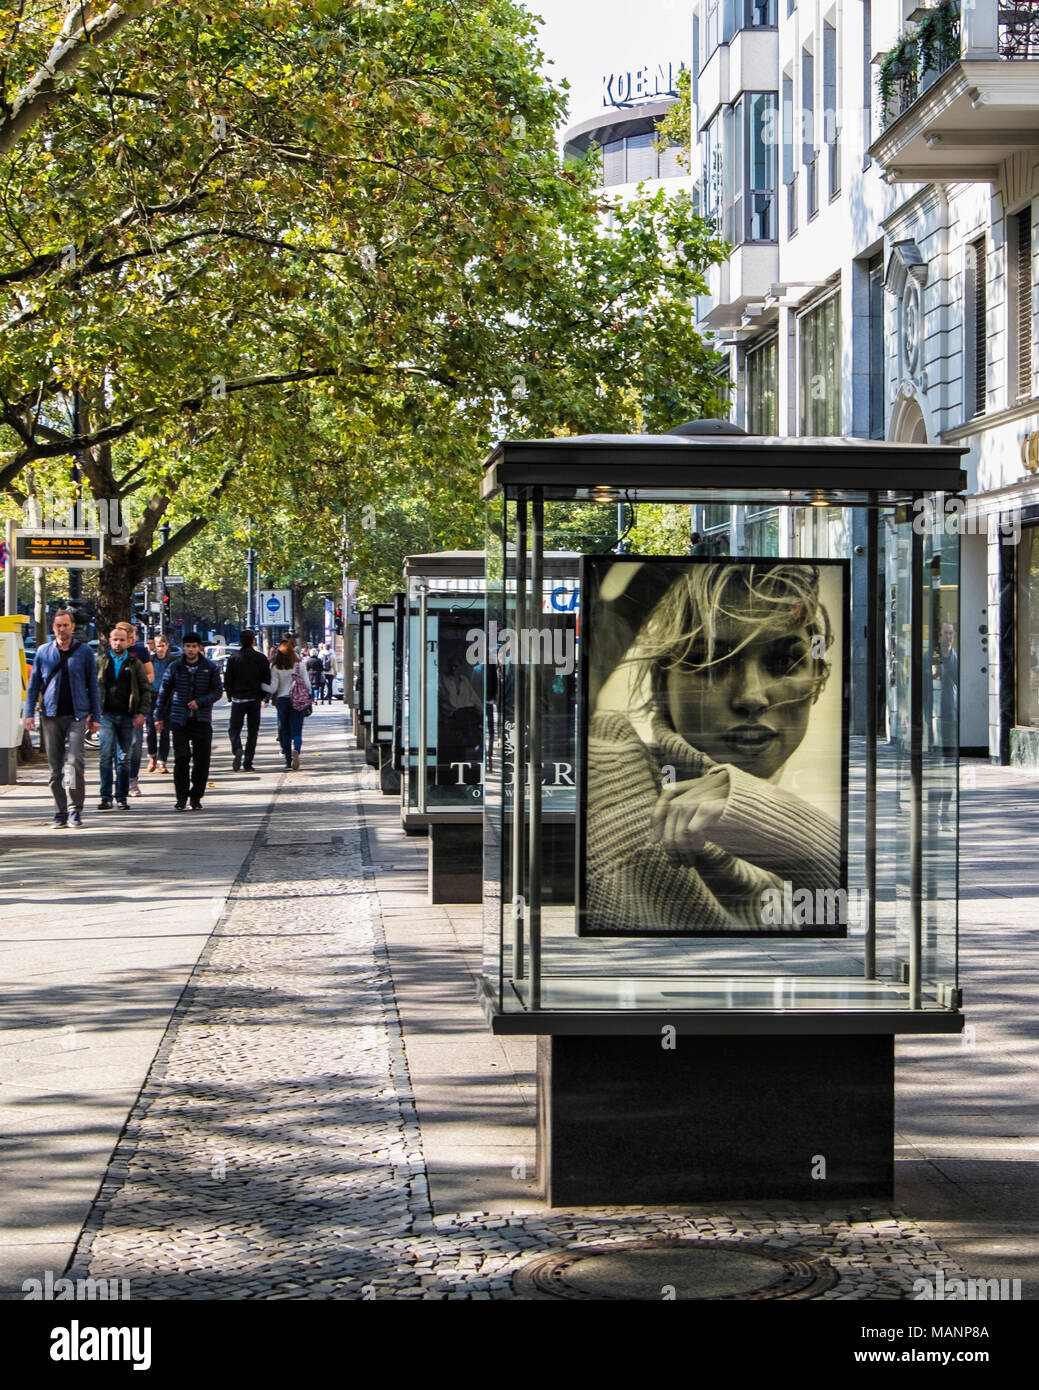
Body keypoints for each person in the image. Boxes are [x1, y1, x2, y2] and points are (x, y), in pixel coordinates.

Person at [585, 561, 841, 934]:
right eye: (712, 661)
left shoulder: (795, 848)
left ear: (816, 678)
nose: (752, 697)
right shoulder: (610, 763)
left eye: (784, 661)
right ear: (662, 680)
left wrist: (800, 839)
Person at [24, 609, 101, 828]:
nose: (62, 629)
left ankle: (75, 809)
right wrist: (29, 712)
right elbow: (34, 686)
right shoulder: (43, 652)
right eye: (58, 625)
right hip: (50, 715)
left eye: (65, 625)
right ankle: (59, 812)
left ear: (72, 626)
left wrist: (95, 716)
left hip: (77, 714)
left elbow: (93, 686)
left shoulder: (84, 652)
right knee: (54, 767)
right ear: (53, 627)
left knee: (75, 761)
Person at [154, 633, 223, 810]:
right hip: (179, 719)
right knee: (181, 759)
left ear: (199, 648)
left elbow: (217, 691)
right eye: (188, 646)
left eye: (194, 646)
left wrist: (200, 702)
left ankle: (196, 796)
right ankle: (181, 796)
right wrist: (159, 716)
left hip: (202, 719)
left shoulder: (210, 667)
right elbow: (164, 692)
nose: (191, 650)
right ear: (183, 647)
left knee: (202, 761)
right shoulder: (175, 667)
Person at [96, 625, 151, 811]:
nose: (118, 643)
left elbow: (145, 689)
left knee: (123, 758)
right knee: (105, 756)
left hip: (128, 717)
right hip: (106, 716)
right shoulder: (102, 661)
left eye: (121, 639)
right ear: (109, 641)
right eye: (115, 639)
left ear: (128, 641)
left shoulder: (134, 664)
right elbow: (94, 687)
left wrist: (141, 712)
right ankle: (105, 797)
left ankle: (121, 797)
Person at [114, 621, 154, 797]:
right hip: (115, 707)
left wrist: (137, 684)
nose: (120, 642)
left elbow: (150, 676)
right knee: (117, 746)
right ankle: (121, 781)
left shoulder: (141, 652)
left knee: (135, 745)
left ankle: (133, 780)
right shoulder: (109, 654)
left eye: (125, 637)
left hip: (134, 706)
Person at [223, 629, 271, 771]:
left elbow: (228, 679)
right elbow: (266, 679)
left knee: (234, 729)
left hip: (238, 699)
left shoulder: (233, 657)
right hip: (254, 699)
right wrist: (263, 697)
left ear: (240, 641)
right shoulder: (261, 658)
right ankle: (248, 762)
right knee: (252, 732)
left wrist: (230, 695)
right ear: (253, 641)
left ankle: (237, 748)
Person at [264, 638, 308, 770]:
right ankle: (297, 750)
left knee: (285, 732)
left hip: (282, 701)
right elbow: (307, 684)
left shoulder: (276, 667)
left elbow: (272, 689)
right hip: (298, 700)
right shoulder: (300, 665)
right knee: (297, 731)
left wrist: (261, 685)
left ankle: (288, 760)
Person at [146, 633, 176, 772]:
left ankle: (162, 761)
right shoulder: (149, 660)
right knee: (151, 730)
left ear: (167, 646)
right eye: (158, 646)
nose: (160, 649)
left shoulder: (173, 661)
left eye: (163, 646)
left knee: (165, 732)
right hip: (151, 697)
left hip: (167, 699)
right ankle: (152, 756)